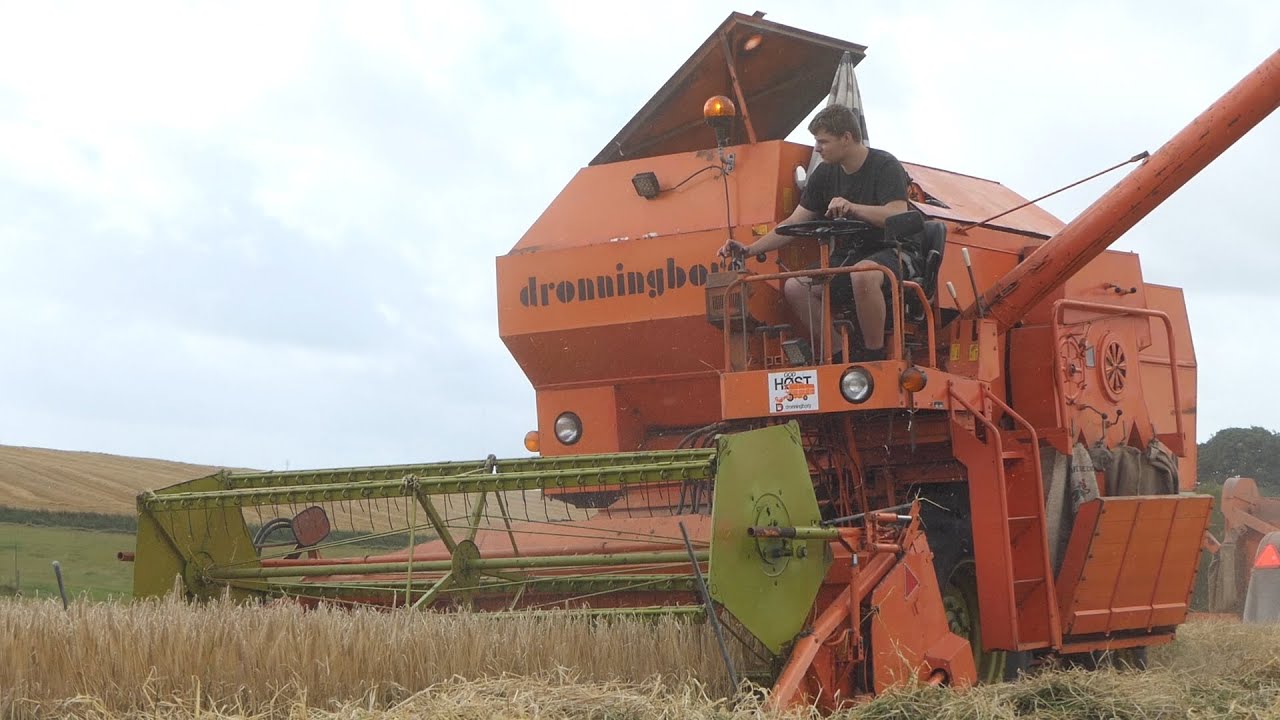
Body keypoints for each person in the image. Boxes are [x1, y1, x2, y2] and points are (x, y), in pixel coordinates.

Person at [719, 105, 910, 361]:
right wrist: (750, 249)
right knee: (796, 287)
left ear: (846, 137)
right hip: (847, 256)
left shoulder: (885, 166)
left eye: (823, 141)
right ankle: (842, 353)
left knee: (863, 275)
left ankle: (873, 355)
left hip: (890, 251)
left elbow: (897, 214)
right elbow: (795, 223)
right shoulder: (824, 175)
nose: (817, 148)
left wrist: (854, 208)